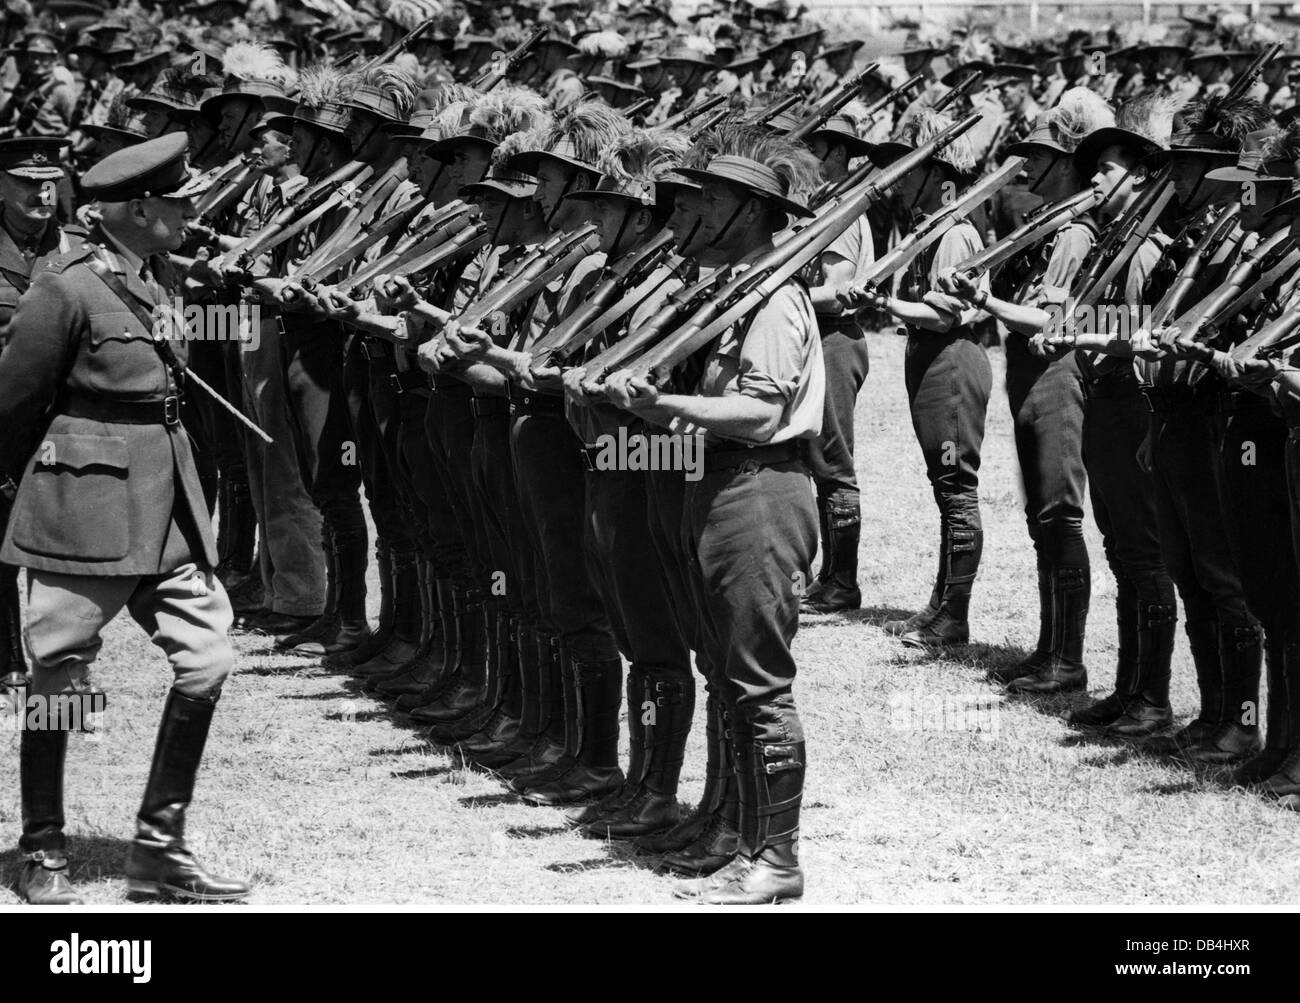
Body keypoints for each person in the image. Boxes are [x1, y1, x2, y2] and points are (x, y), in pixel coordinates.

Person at [0, 132, 249, 904]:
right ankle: (42, 846)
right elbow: (12, 402)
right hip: (89, 502)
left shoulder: (158, 273)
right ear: (138, 208)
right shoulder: (67, 286)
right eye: (177, 199)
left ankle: (158, 849)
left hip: (166, 498)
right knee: (61, 673)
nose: (189, 210)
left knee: (207, 659)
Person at [607, 125, 824, 905]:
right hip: (718, 481)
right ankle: (729, 825)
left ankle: (776, 858)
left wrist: (664, 403)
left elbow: (760, 414)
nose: (693, 211)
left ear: (751, 211)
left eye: (712, 199)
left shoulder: (773, 298)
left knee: (759, 683)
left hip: (758, 485)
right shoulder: (730, 288)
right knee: (726, 672)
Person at [846, 108, 993, 649]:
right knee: (943, 487)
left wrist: (885, 303)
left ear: (941, 177)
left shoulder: (953, 234)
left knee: (956, 491)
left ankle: (953, 615)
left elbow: (948, 313)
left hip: (950, 363)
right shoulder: (927, 230)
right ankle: (940, 606)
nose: (902, 180)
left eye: (912, 169)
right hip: (930, 361)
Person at [0, 135, 81, 693]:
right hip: (2, 416)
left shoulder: (79, 250)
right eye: (28, 182)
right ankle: (7, 656)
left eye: (50, 181)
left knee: (62, 546)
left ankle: (60, 661)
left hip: (64, 416)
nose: (42, 191)